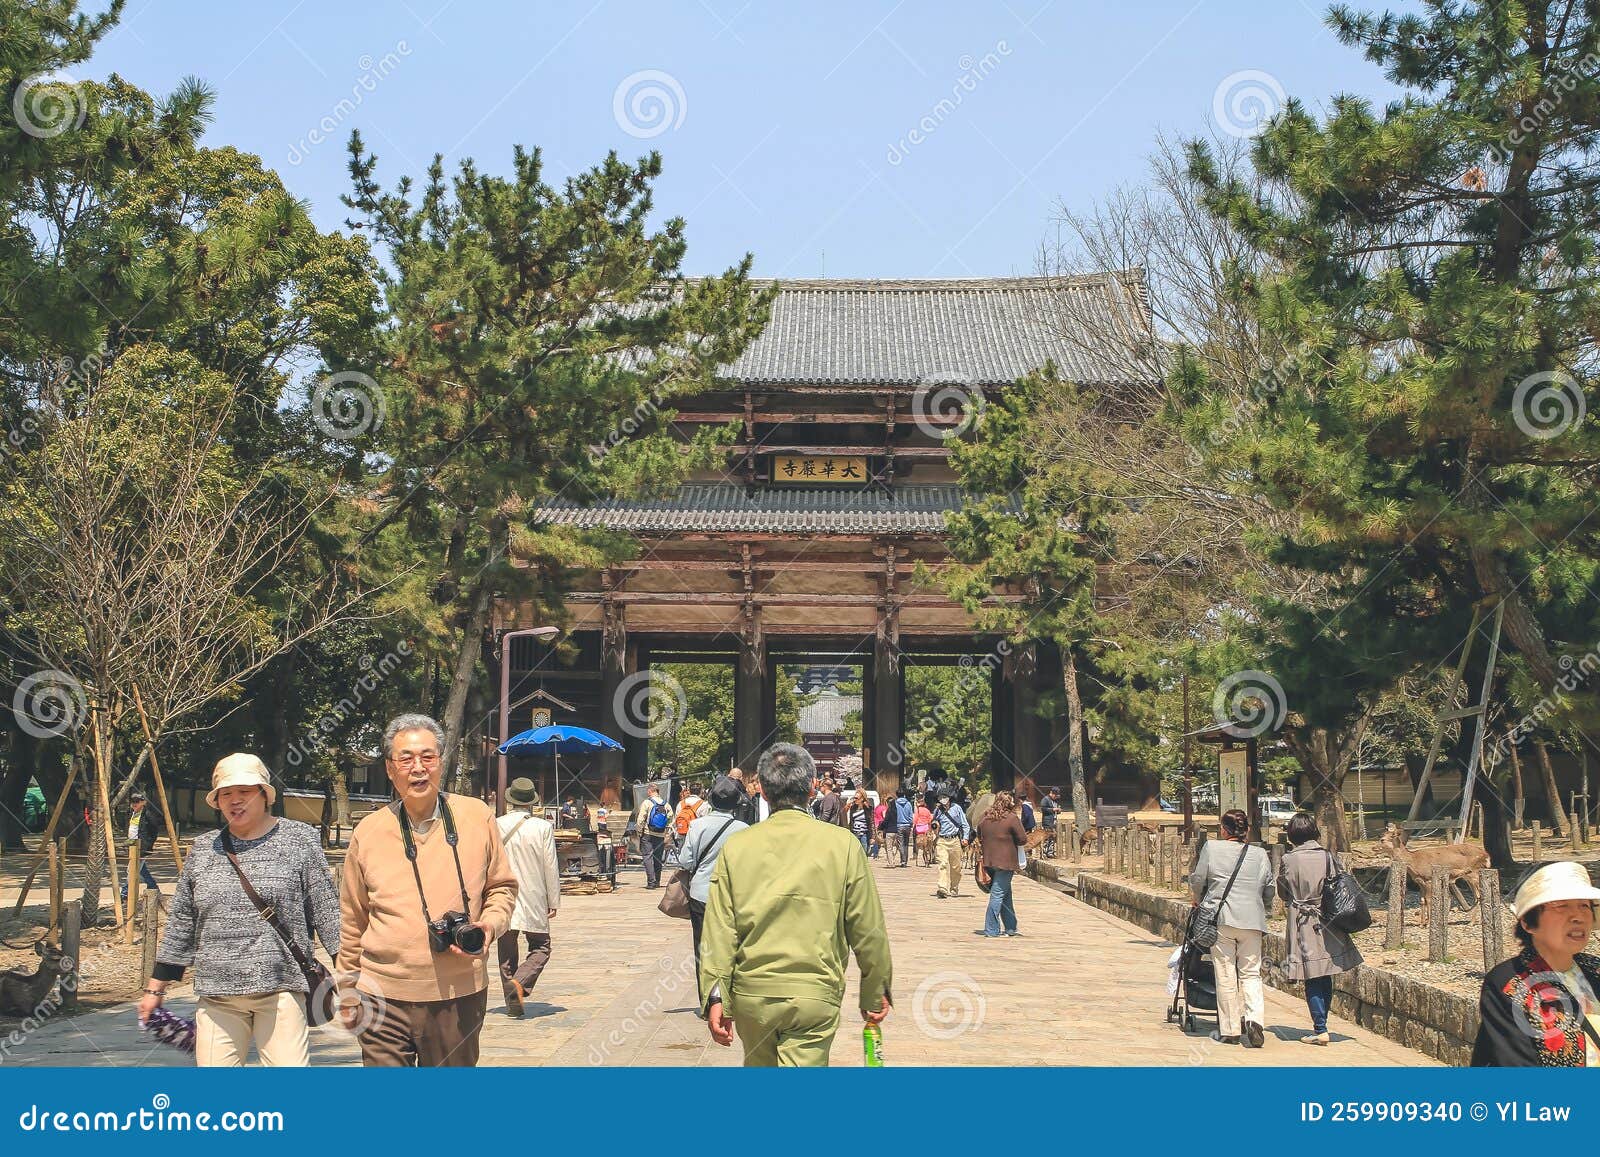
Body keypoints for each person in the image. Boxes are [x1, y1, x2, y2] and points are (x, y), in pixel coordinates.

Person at [336, 713, 518, 1067]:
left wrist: (491, 925)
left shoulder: (476, 816)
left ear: (441, 762)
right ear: (390, 769)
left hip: (457, 995)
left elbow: (502, 887)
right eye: (406, 759)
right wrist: (347, 989)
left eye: (427, 757)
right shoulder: (369, 831)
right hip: (381, 995)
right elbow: (353, 918)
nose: (418, 768)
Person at [699, 744, 891, 1066]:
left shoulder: (737, 847)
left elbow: (720, 930)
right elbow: (868, 928)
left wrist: (716, 993)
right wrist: (875, 989)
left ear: (762, 791)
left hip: (753, 994)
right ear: (812, 787)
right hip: (814, 993)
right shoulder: (843, 845)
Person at [142, 754, 340, 1067]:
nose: (235, 800)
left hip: (280, 989)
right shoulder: (204, 849)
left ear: (264, 794)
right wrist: (156, 988)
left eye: (244, 791)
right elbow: (182, 921)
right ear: (217, 801)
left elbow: (325, 909)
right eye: (226, 794)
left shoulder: (299, 839)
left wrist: (350, 971)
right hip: (217, 995)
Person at [1471, 860, 1600, 1066]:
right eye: (1561, 905)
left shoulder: (1594, 969)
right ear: (1528, 922)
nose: (1578, 917)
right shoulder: (1510, 984)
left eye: (1584, 905)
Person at [1188, 808, 1275, 1048]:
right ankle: (1255, 1021)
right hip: (1252, 920)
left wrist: (1197, 898)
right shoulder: (1260, 854)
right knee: (1251, 973)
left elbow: (1198, 878)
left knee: (1225, 972)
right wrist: (1263, 908)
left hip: (1222, 919)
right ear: (1247, 830)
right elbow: (1269, 887)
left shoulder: (1212, 848)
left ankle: (1230, 1029)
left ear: (1223, 830)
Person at [1278, 812, 1363, 1045]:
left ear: (1292, 834)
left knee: (1311, 975)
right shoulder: (1327, 856)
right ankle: (1322, 1023)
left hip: (1302, 921)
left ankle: (1320, 1028)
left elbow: (1283, 892)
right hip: (1327, 920)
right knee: (1324, 971)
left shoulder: (1288, 859)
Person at [676, 776, 749, 1006]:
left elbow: (685, 861)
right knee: (732, 945)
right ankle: (731, 996)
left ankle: (708, 1000)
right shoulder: (744, 830)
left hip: (701, 893)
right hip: (733, 895)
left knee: (702, 947)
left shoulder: (697, 826)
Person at [496, 778, 560, 1019]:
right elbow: (550, 866)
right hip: (534, 893)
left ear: (510, 799)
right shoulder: (542, 827)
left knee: (506, 948)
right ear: (532, 802)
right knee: (541, 946)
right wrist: (553, 899)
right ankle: (520, 983)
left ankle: (511, 997)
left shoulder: (497, 824)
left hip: (503, 893)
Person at [976, 791, 1027, 937]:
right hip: (1006, 862)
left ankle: (1011, 927)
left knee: (1005, 894)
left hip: (989, 861)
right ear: (1009, 803)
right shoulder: (1011, 818)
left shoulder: (985, 817)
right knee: (997, 894)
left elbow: (979, 834)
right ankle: (991, 929)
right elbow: (1022, 839)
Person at [121, 792, 162, 903]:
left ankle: (124, 893)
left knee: (131, 870)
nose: (134, 804)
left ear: (143, 802)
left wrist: (148, 843)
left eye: (137, 801)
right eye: (133, 801)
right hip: (132, 845)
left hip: (142, 847)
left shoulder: (147, 815)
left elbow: (154, 829)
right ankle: (153, 887)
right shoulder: (130, 813)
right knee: (141, 870)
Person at [930, 792, 971, 899]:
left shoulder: (957, 808)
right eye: (940, 798)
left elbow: (965, 824)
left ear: (949, 798)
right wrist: (934, 825)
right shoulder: (938, 810)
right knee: (942, 864)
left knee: (956, 867)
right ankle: (942, 888)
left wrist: (965, 838)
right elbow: (933, 821)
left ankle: (954, 888)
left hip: (955, 840)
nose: (942, 799)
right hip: (942, 840)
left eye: (945, 797)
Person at [635, 784, 671, 888]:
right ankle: (657, 881)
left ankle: (651, 882)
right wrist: (666, 832)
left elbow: (641, 819)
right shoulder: (666, 804)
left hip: (648, 833)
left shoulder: (647, 802)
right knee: (658, 858)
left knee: (647, 857)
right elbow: (670, 819)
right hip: (660, 834)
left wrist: (639, 832)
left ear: (650, 791)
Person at [846, 790, 873, 856]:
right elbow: (848, 818)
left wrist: (872, 837)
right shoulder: (853, 808)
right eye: (854, 797)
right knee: (854, 853)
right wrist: (847, 805)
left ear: (862, 799)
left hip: (864, 834)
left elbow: (871, 822)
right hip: (854, 833)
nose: (855, 799)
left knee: (864, 853)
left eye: (856, 798)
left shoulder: (867, 808)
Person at [894, 790, 914, 867]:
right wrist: (911, 824)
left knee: (901, 844)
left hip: (899, 825)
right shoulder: (908, 804)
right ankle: (905, 861)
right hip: (907, 825)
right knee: (906, 844)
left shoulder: (895, 804)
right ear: (904, 795)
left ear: (897, 795)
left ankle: (903, 861)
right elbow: (910, 815)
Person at [1040, 788, 1062, 857]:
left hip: (1054, 821)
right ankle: (1044, 852)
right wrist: (1053, 809)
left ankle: (1050, 852)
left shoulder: (1055, 800)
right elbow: (1043, 809)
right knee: (1046, 837)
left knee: (1052, 837)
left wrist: (1058, 810)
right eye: (1055, 795)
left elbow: (1056, 809)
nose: (1056, 797)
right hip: (1047, 821)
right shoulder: (1045, 799)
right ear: (1051, 793)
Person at [913, 798, 934, 865]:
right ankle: (928, 857)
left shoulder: (918, 810)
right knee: (927, 845)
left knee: (916, 841)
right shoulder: (927, 810)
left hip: (919, 829)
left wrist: (914, 825)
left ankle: (915, 855)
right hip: (925, 828)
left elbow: (915, 819)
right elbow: (930, 819)